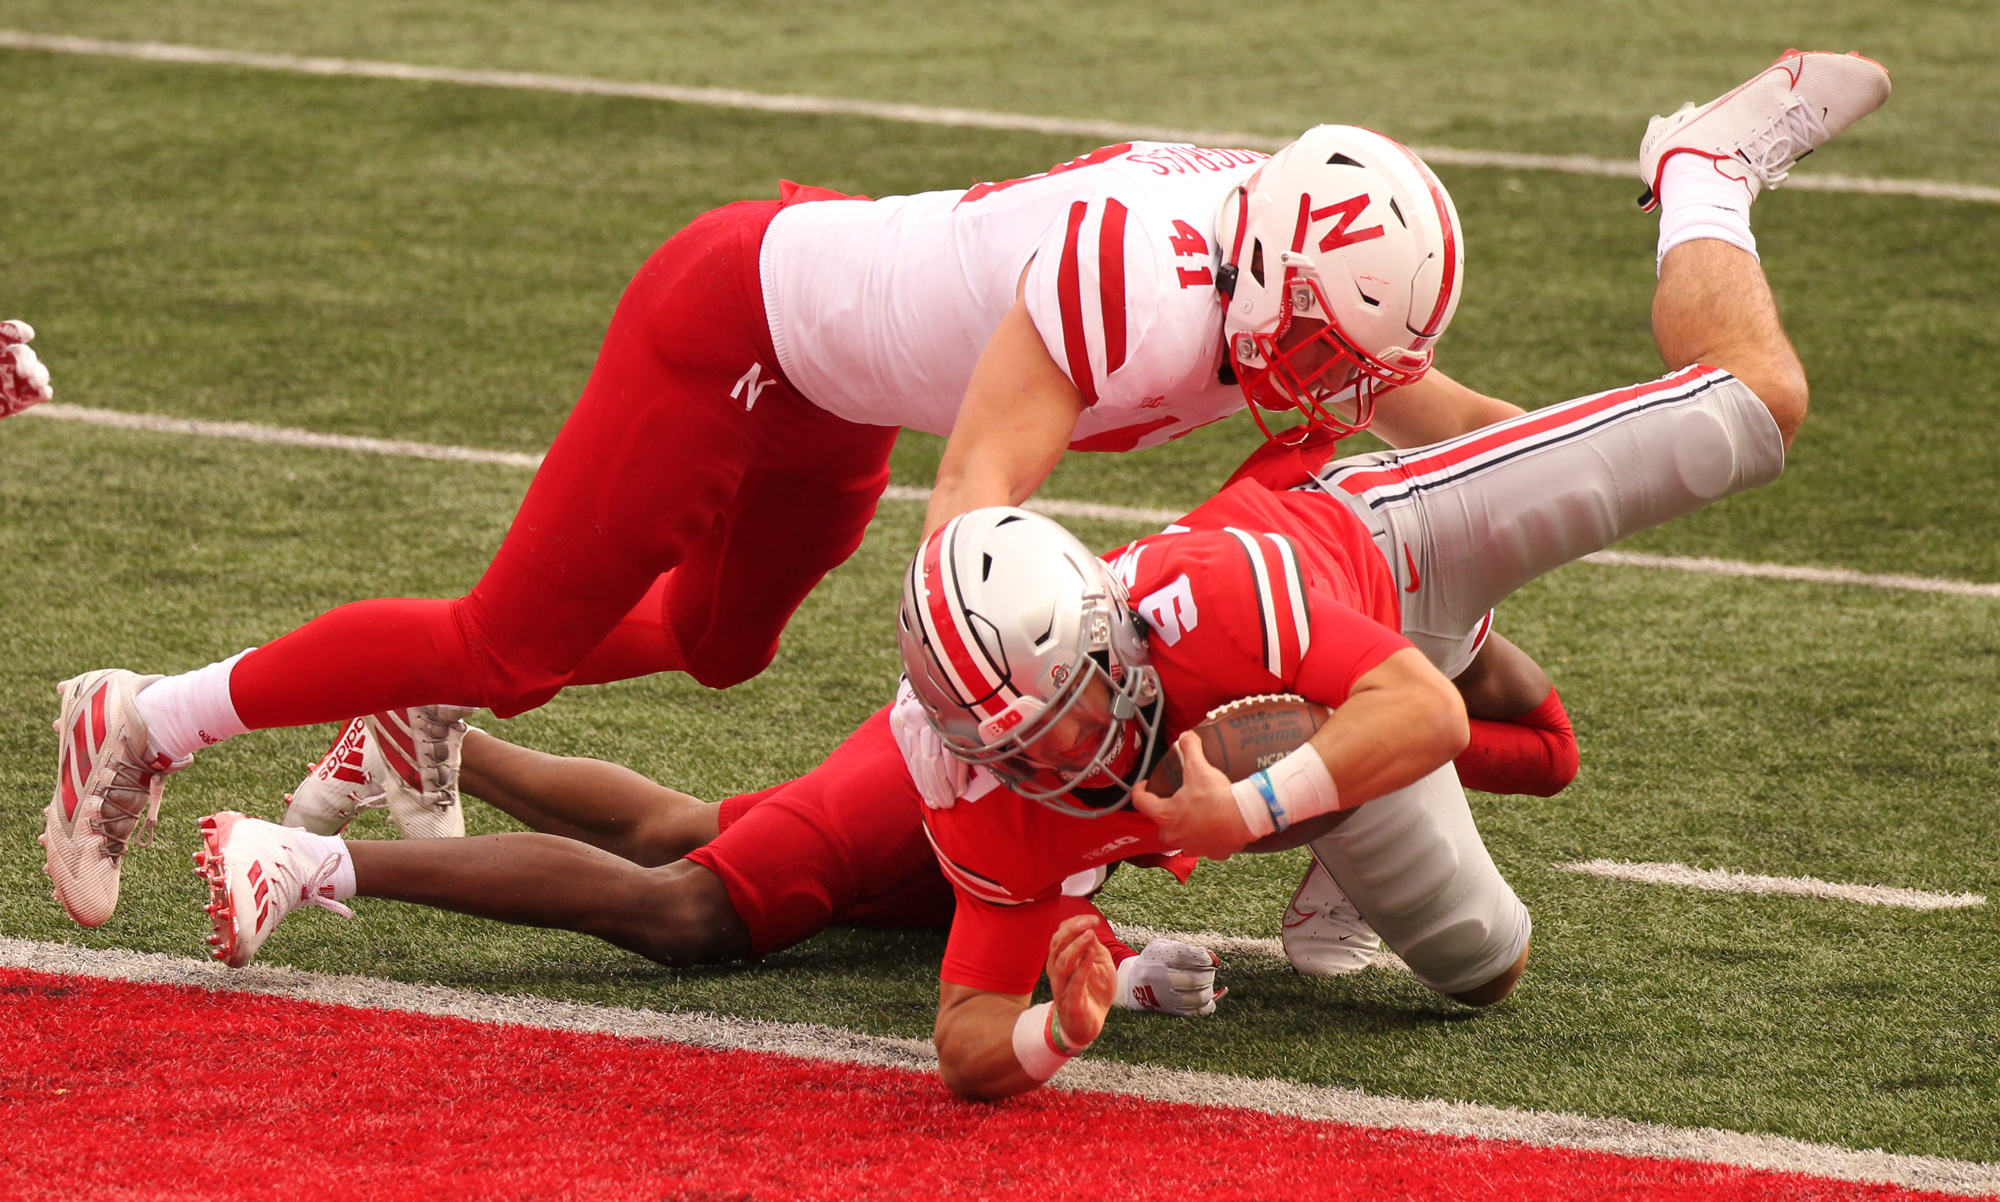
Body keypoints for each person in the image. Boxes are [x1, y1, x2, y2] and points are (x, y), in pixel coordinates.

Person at [41, 125, 1518, 927]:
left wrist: (1622, 436)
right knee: (514, 638)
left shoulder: (1279, 264)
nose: (1326, 388)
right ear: (1262, 267)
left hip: (838, 383)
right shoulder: (1133, 288)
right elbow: (969, 530)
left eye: (1345, 362)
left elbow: (1427, 407)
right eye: (1316, 349)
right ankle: (141, 716)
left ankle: (416, 711)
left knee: (717, 644)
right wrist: (1031, 718)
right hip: (734, 322)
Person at [894, 50, 1890, 1099]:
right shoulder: (993, 801)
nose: (1067, 747)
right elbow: (964, 1035)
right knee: (1484, 963)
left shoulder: (1203, 595)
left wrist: (1242, 812)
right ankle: (1333, 819)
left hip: (1394, 547)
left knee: (1749, 408)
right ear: (969, 746)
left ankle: (1700, 172)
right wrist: (1056, 1029)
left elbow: (1424, 710)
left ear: (1106, 617)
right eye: (1020, 746)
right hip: (1336, 710)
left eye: (1068, 701)